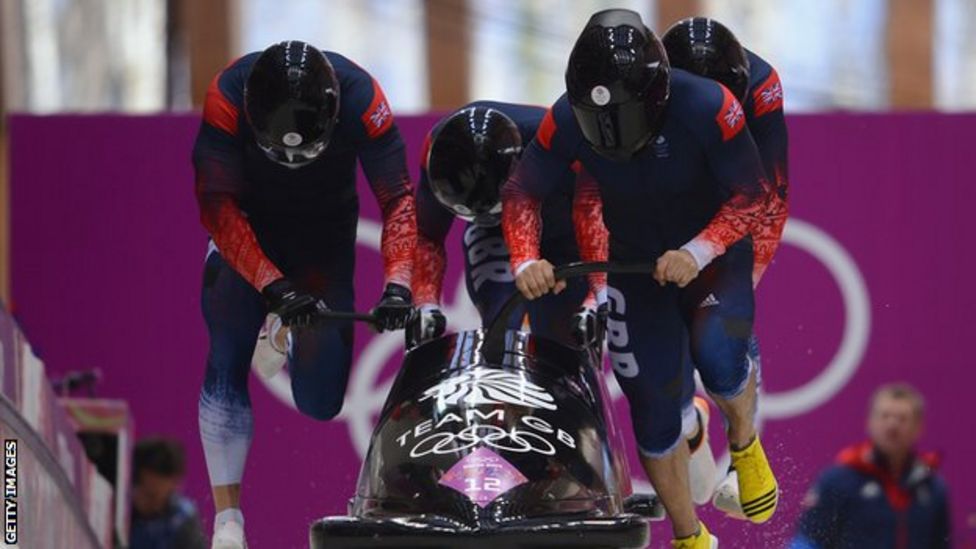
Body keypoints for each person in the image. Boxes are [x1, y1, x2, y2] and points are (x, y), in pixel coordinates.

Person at [501, 9, 777, 547]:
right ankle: (689, 537)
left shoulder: (709, 106)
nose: (609, 133)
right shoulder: (563, 119)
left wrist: (698, 251)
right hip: (635, 263)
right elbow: (521, 192)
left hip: (712, 254)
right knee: (653, 410)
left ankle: (743, 443)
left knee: (720, 362)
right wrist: (524, 259)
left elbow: (755, 196)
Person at [192, 40, 417, 548]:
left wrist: (399, 283)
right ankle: (228, 523)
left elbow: (399, 198)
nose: (293, 159)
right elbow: (217, 207)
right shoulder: (226, 96)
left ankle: (283, 332)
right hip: (249, 231)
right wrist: (272, 284)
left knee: (320, 401)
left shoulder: (363, 98)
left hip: (322, 242)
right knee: (226, 343)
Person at [661, 16, 790, 517]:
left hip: (734, 191)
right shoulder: (650, 90)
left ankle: (742, 453)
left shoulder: (762, 85)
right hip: (663, 193)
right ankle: (684, 422)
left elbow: (772, 194)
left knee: (722, 327)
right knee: (661, 323)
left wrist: (747, 277)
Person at [412, 102, 604, 346]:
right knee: (501, 328)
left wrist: (595, 298)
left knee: (572, 338)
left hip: (569, 229)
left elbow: (601, 219)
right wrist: (426, 303)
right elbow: (427, 235)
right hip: (496, 235)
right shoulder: (435, 152)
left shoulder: (563, 142)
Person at [790, 383, 950, 548]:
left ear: (918, 427)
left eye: (902, 418)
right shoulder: (837, 481)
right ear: (869, 422)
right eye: (885, 416)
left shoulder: (933, 488)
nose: (892, 425)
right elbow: (807, 542)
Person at [130, 438, 207, 549]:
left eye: (153, 496)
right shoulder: (120, 507)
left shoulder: (184, 518)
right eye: (144, 492)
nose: (145, 502)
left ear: (175, 484)